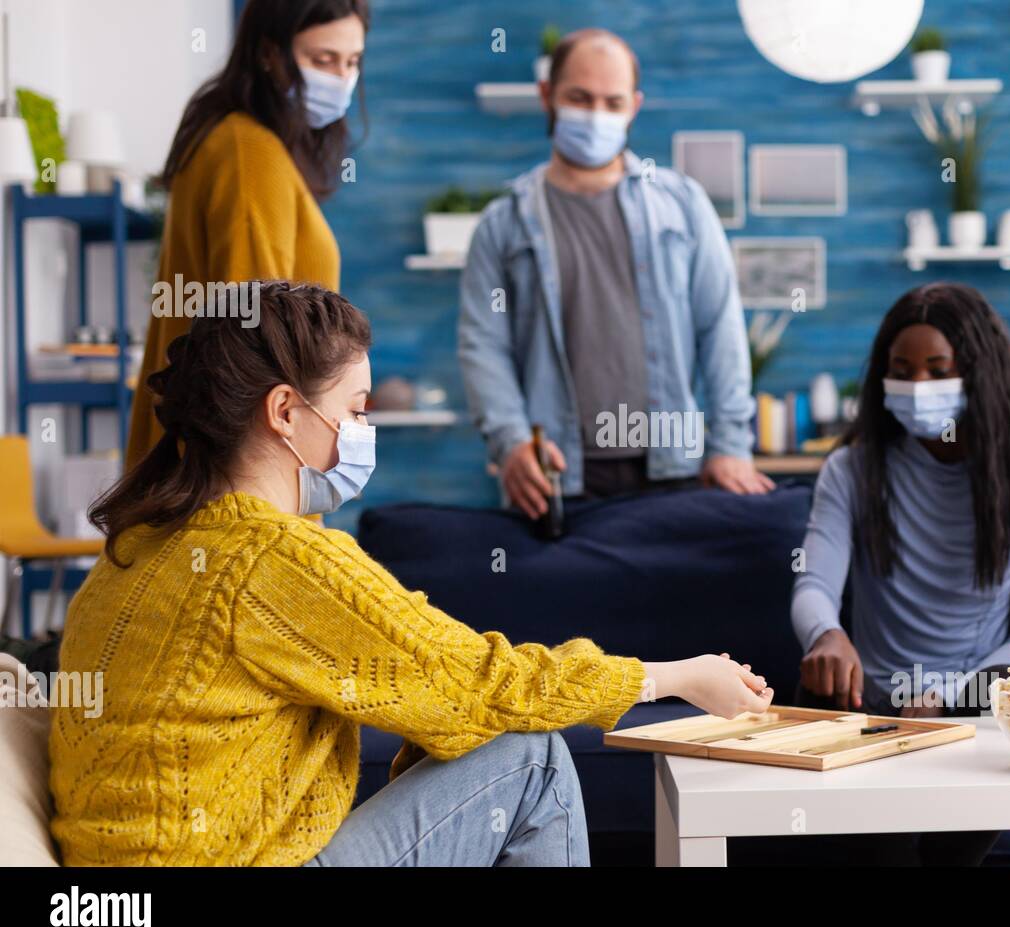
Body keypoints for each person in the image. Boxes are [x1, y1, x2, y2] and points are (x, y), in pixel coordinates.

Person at [49, 282, 774, 867]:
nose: (363, 433)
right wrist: (676, 676)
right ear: (283, 413)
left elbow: (434, 686)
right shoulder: (272, 558)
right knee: (534, 757)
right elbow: (486, 684)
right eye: (354, 412)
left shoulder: (135, 550)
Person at [791, 282, 1010, 865]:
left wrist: (946, 696)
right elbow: (814, 584)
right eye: (901, 370)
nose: (916, 387)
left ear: (977, 374)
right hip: (868, 709)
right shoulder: (851, 470)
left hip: (976, 707)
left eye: (936, 369)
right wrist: (826, 633)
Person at [458, 28, 773, 519]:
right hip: (557, 475)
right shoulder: (504, 224)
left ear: (634, 106)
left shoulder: (683, 204)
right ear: (547, 96)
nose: (596, 115)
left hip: (675, 468)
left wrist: (730, 443)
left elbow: (721, 326)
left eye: (612, 101)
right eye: (580, 98)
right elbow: (483, 345)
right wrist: (511, 442)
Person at [125, 0, 368, 470]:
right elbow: (254, 346)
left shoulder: (242, 144)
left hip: (220, 474)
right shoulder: (249, 154)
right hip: (238, 481)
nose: (341, 78)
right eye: (322, 60)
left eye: (352, 61)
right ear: (269, 53)